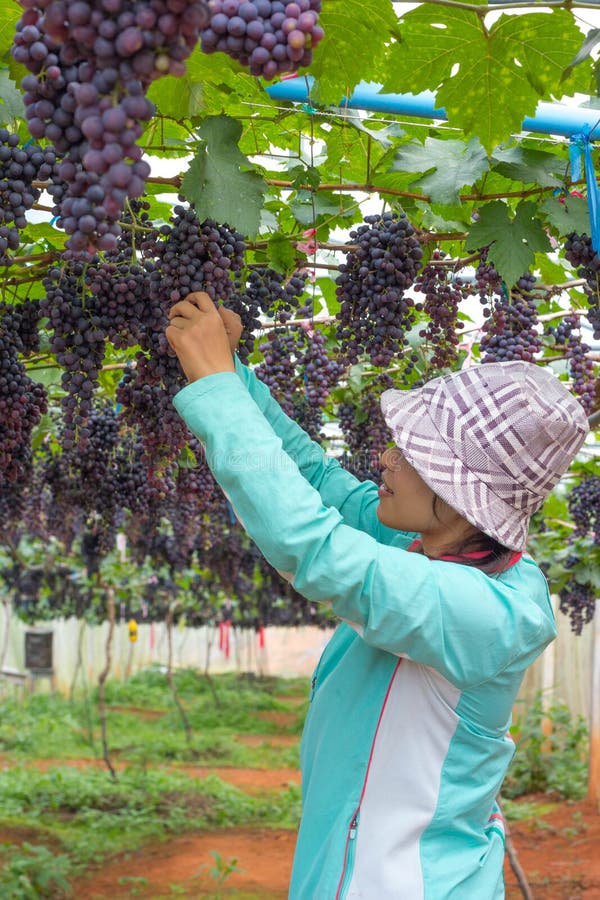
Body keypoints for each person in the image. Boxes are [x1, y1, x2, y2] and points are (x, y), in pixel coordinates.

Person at [165, 291, 589, 900]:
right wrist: (233, 373)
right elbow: (314, 477)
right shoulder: (425, 544)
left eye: (415, 454)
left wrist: (218, 393)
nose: (386, 457)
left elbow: (315, 549)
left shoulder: (492, 611)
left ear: (465, 493)